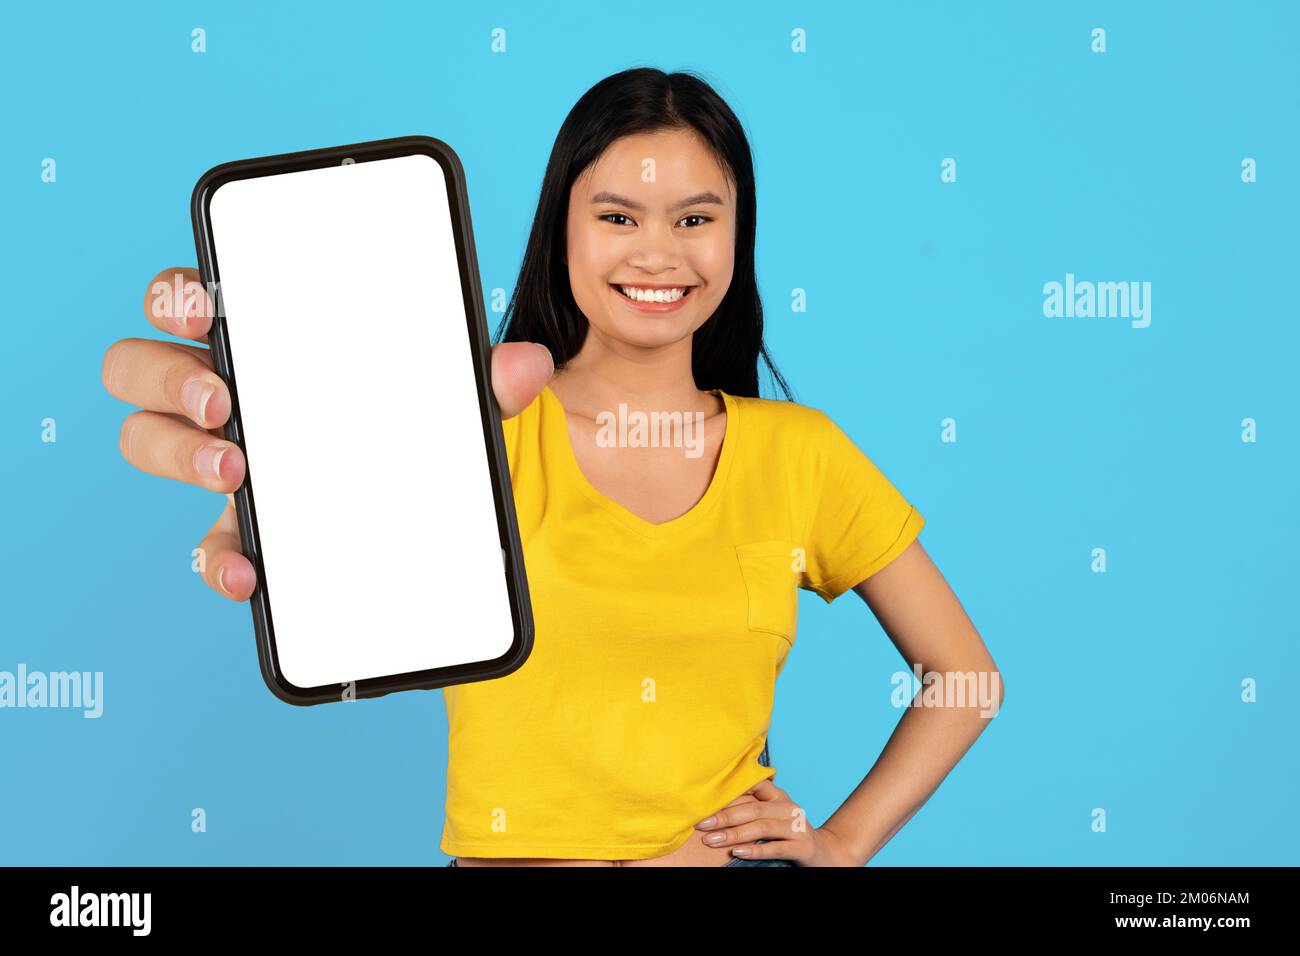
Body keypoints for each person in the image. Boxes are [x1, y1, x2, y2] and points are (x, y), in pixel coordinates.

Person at [102, 67, 1003, 867]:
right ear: (560, 229)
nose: (658, 253)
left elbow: (965, 678)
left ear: (738, 235)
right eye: (618, 217)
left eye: (696, 218)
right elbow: (346, 573)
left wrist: (841, 843)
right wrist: (274, 487)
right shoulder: (477, 430)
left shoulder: (800, 453)